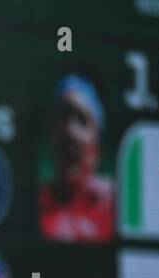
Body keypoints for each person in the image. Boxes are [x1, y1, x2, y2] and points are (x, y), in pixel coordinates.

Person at [39, 74, 115, 243]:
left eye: (81, 120)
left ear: (98, 145)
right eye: (64, 117)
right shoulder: (34, 205)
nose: (70, 132)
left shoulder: (116, 206)